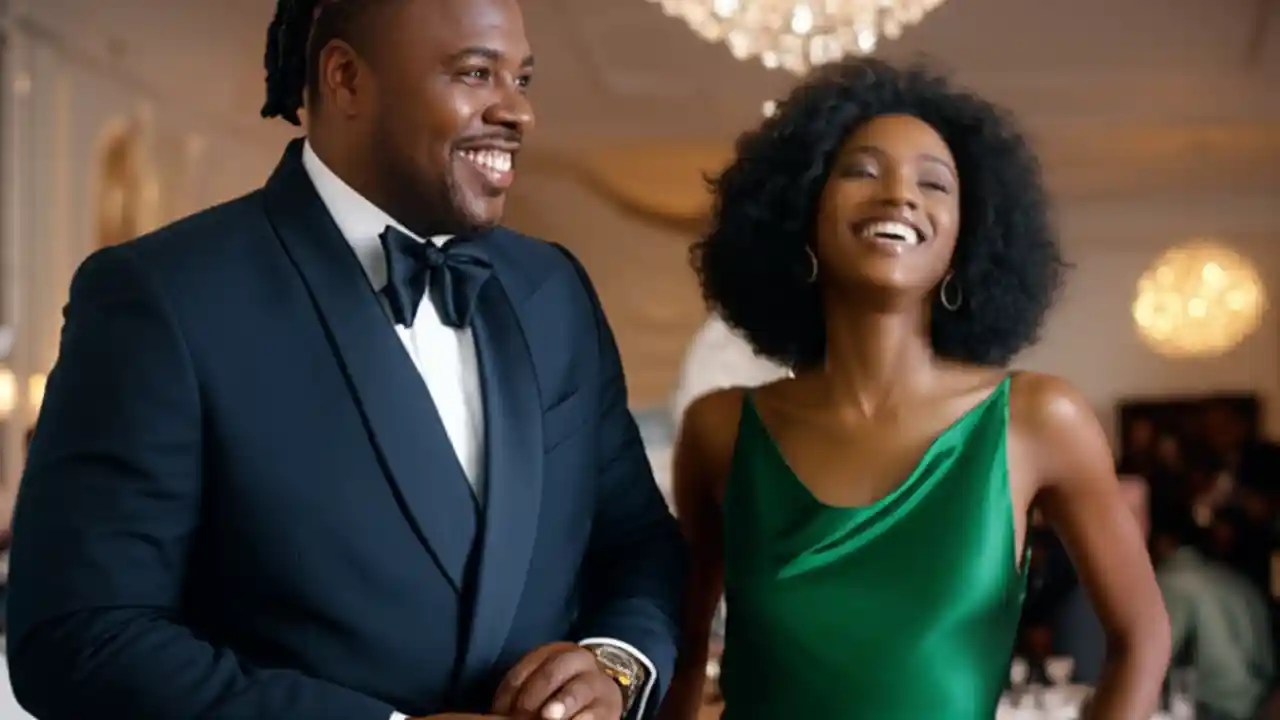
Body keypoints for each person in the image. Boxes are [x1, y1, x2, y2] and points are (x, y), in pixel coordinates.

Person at [5, 1, 685, 719]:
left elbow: (636, 539)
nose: (517, 111)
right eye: (476, 72)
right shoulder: (163, 297)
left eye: (522, 79)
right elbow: (81, 637)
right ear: (345, 79)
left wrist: (615, 664)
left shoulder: (553, 290)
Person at [659, 58, 1170, 719]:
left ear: (967, 239)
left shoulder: (1038, 420)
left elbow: (1143, 637)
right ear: (803, 213)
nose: (899, 196)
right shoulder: (721, 429)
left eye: (935, 183)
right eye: (861, 171)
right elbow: (682, 646)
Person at [1151, 508, 1274, 719]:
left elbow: (1150, 659)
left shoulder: (1171, 581)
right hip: (1261, 706)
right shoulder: (1239, 582)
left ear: (1161, 541)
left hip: (1211, 710)